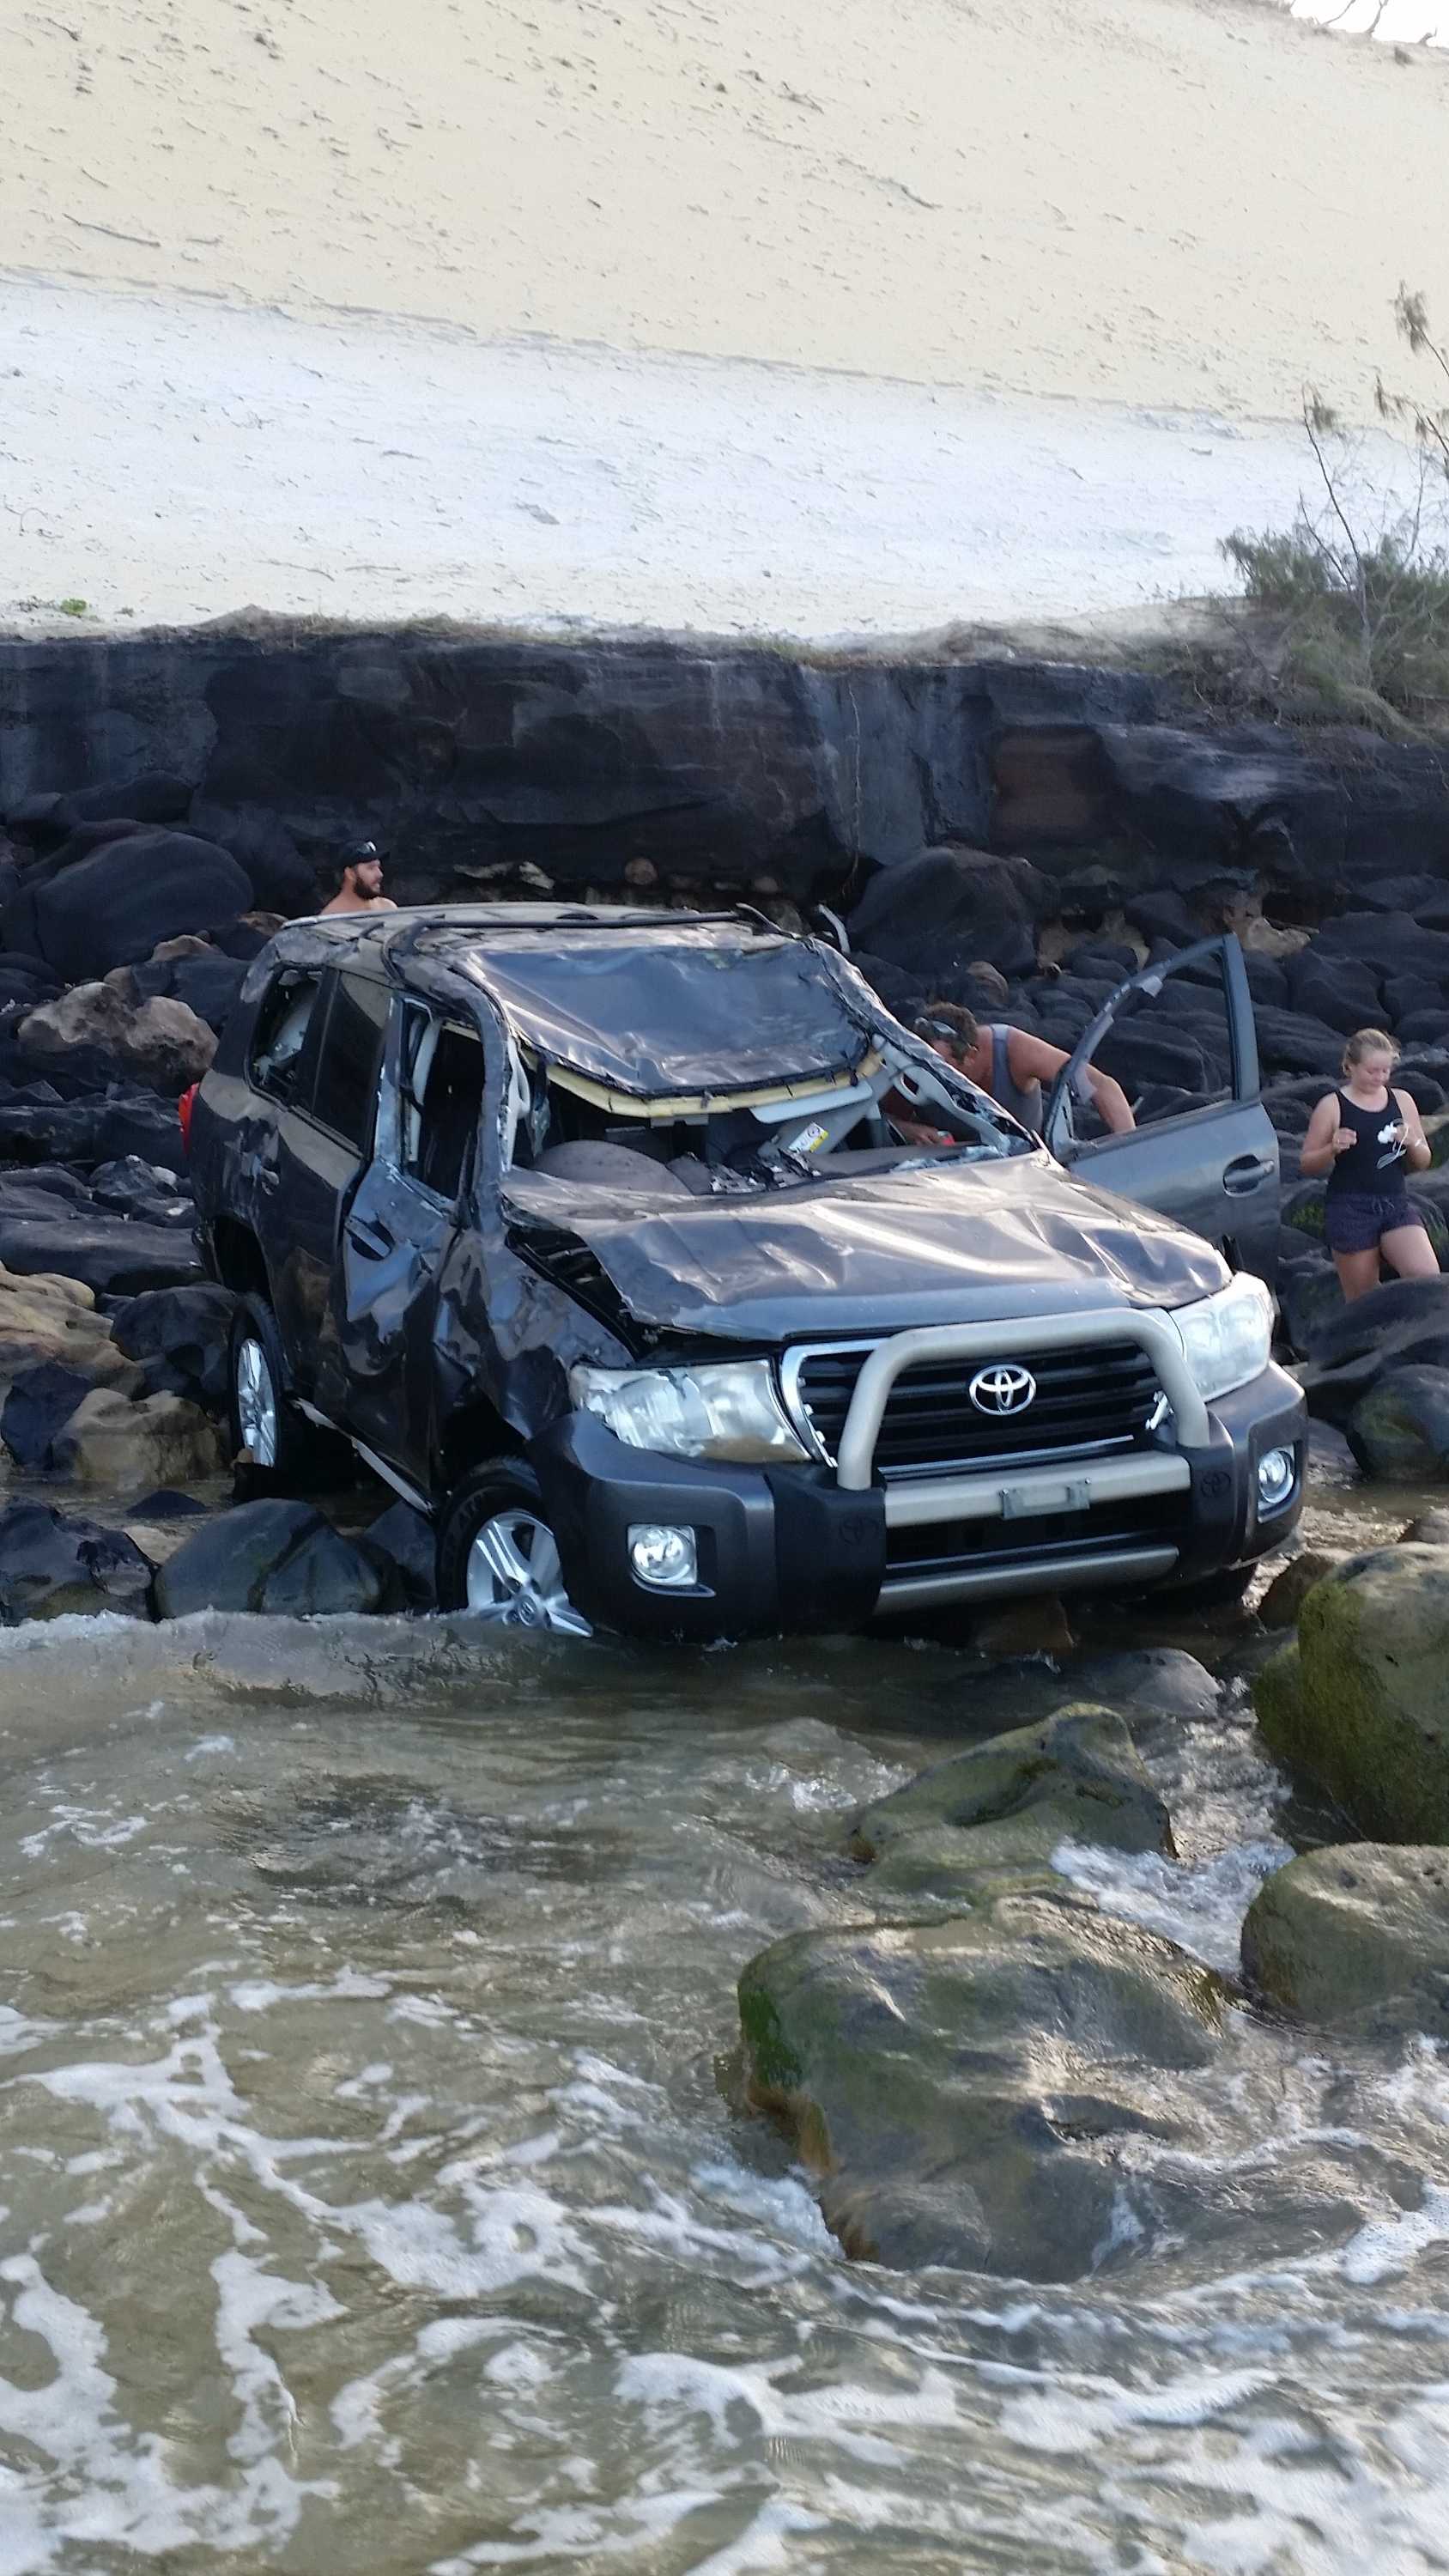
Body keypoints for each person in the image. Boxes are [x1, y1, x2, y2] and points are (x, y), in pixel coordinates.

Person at [1300, 1026, 1436, 1300]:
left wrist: (1412, 1141)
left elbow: (1423, 1161)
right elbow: (1306, 1164)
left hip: (1395, 1202)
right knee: (1364, 1300)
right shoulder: (1332, 1105)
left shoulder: (1402, 1101)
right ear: (1349, 1067)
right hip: (1350, 1207)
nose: (1379, 1078)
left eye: (1385, 1071)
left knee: (1428, 1280)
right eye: (1371, 1071)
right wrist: (1331, 1149)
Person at [893, 1000, 1135, 1142]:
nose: (931, 1072)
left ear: (971, 1056)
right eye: (926, 1063)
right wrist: (909, 1130)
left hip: (1029, 1163)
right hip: (954, 1174)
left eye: (941, 1066)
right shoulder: (914, 1063)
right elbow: (881, 1116)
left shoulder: (1012, 1050)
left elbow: (1102, 1086)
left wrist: (1128, 1151)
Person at [321, 841, 397, 915]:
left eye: (379, 867)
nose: (380, 874)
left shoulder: (388, 908)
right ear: (350, 874)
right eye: (371, 868)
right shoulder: (332, 918)